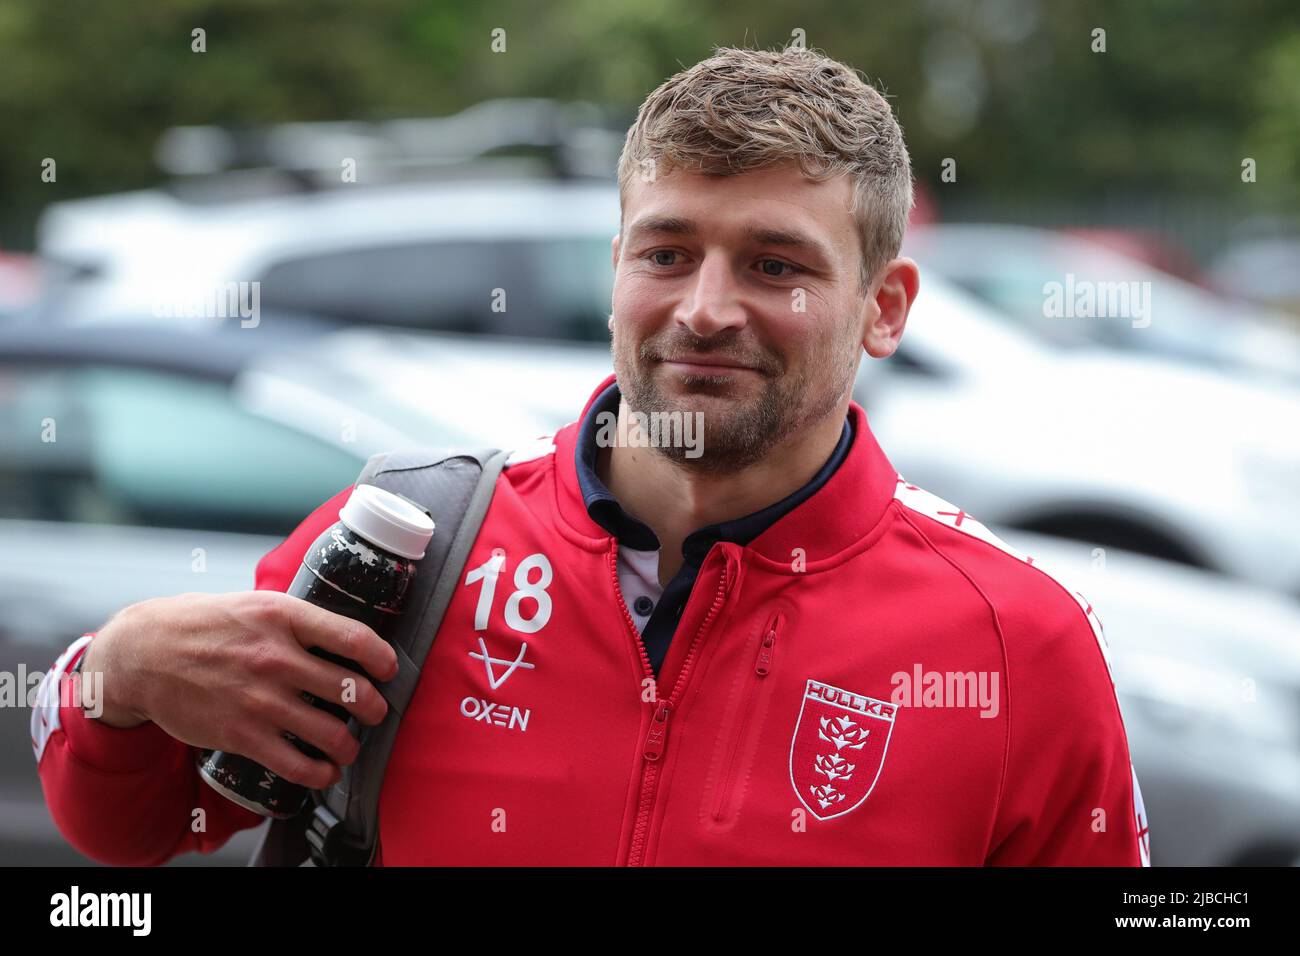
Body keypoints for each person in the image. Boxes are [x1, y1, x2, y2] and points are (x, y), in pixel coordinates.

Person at [33, 46, 1148, 866]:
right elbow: (126, 826)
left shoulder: (1020, 642)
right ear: (617, 267)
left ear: (885, 305)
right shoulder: (414, 539)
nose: (706, 310)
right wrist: (118, 673)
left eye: (773, 265)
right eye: (667, 252)